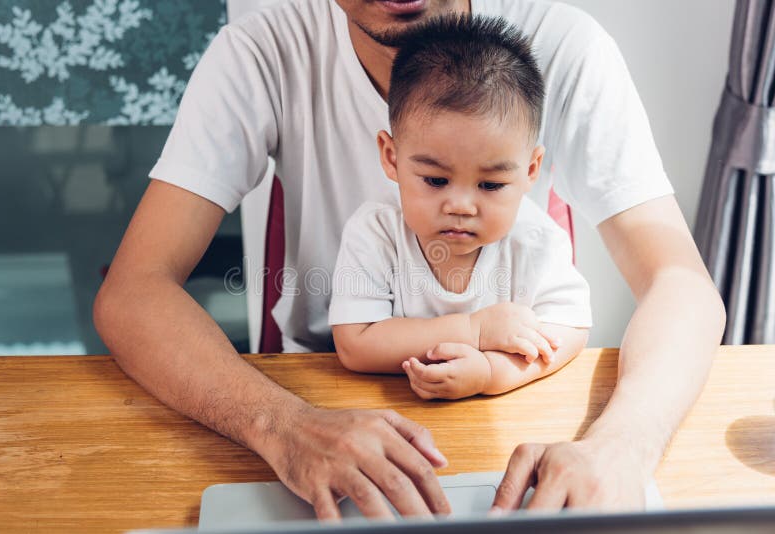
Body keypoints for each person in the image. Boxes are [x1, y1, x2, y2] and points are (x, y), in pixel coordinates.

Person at [93, 0, 726, 520]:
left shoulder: (563, 46)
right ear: (390, 156)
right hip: (322, 401)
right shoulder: (263, 51)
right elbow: (134, 292)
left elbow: (681, 284)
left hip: (524, 410)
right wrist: (284, 427)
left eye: (490, 184)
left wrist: (621, 449)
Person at [329, 14, 591, 400]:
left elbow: (570, 329)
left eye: (491, 185)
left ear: (531, 170)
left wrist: (493, 373)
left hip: (498, 426)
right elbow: (355, 342)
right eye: (435, 180)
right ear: (392, 156)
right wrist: (474, 331)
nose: (462, 206)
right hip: (386, 413)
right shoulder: (375, 232)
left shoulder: (536, 241)